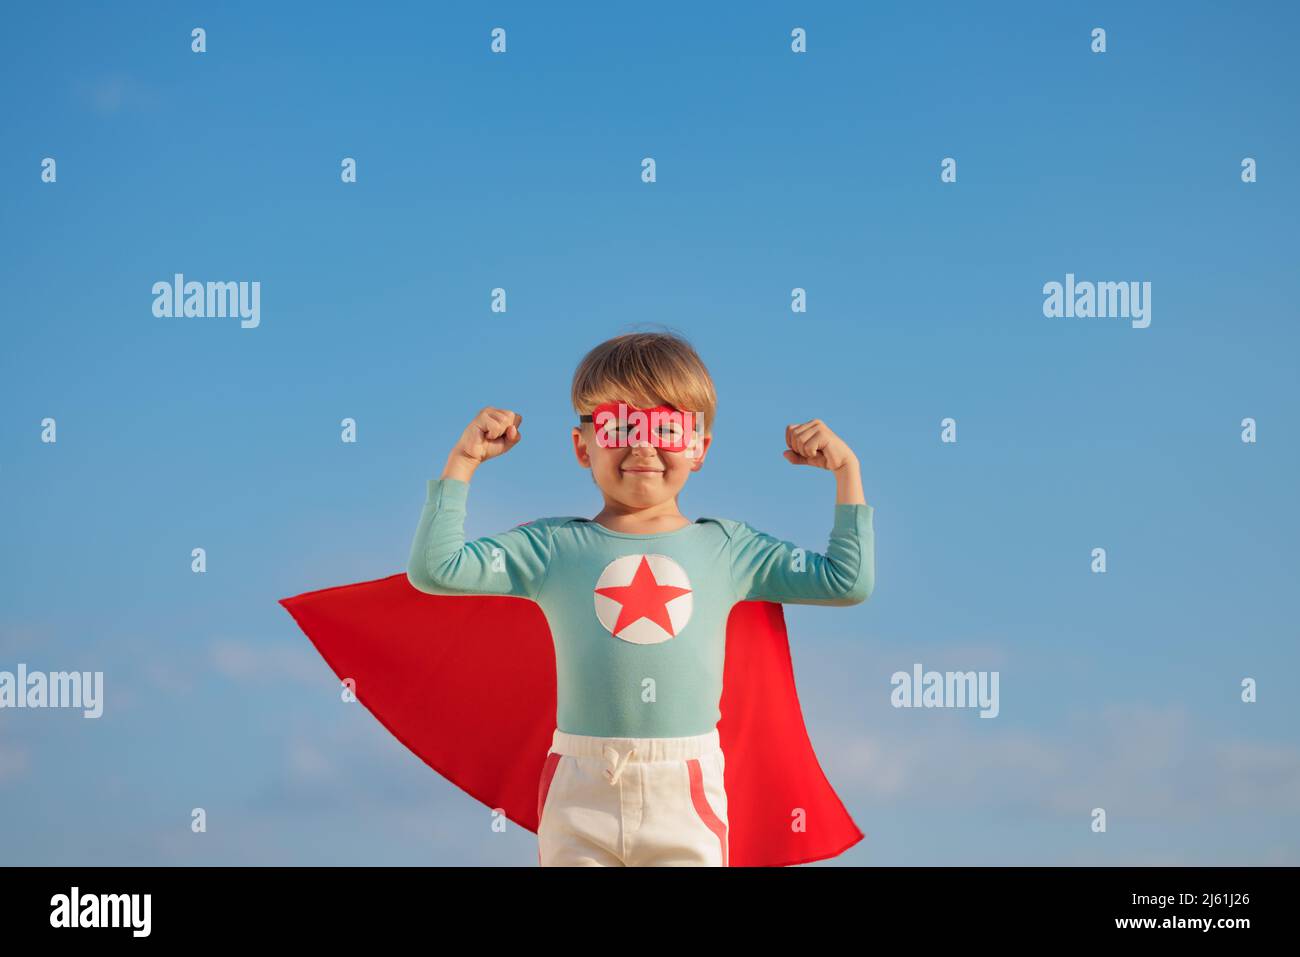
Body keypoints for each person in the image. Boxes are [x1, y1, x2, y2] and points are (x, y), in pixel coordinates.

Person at [405, 331, 874, 866]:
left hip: (685, 784)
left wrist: (846, 471)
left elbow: (846, 580)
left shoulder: (728, 548)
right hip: (578, 784)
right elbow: (435, 570)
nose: (643, 446)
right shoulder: (551, 546)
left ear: (699, 448)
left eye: (668, 428)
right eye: (619, 426)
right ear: (584, 446)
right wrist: (463, 461)